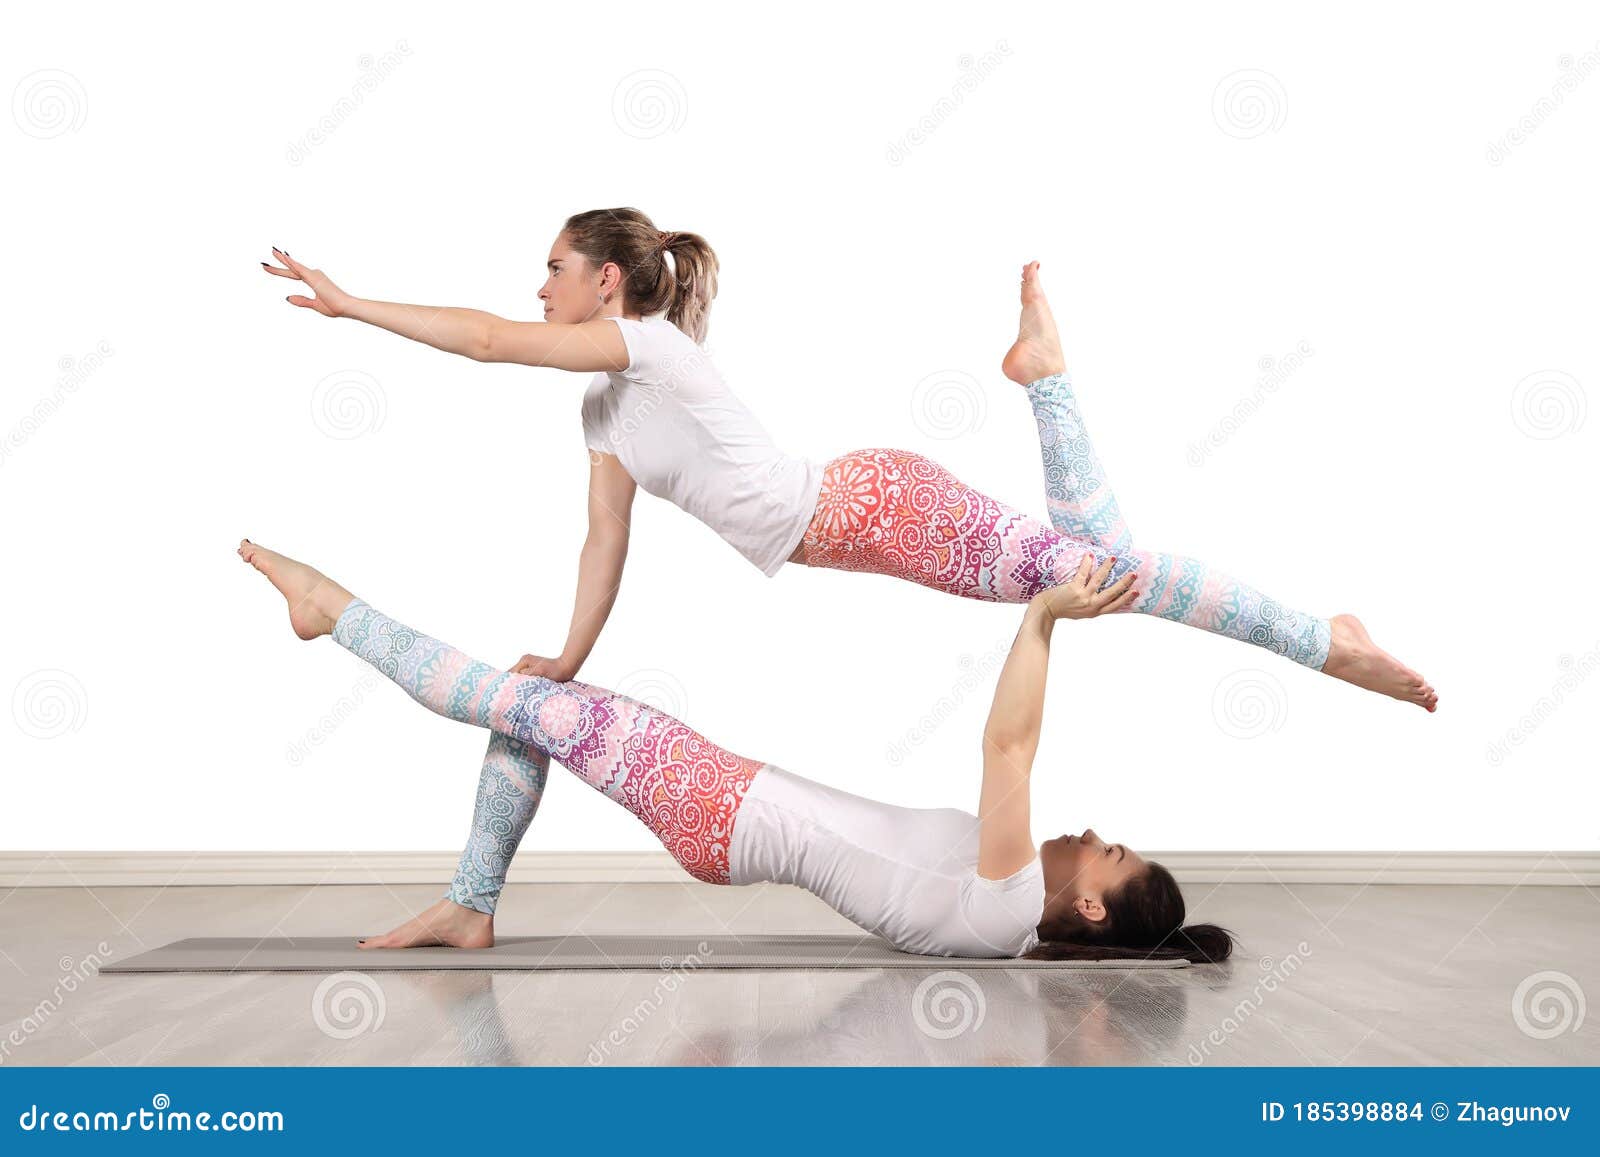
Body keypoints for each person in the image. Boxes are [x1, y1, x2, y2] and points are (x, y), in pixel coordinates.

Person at [258, 214, 1435, 714]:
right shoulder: (606, 413)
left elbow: (489, 342)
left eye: (555, 266)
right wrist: (568, 654)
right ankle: (1051, 378)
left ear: (604, 282)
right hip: (866, 517)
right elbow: (601, 542)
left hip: (877, 507)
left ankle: (1316, 639)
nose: (539, 286)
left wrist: (355, 305)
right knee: (1102, 563)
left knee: (1105, 573)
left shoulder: (648, 346)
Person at [238, 537, 1232, 962]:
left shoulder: (1013, 897)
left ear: (1088, 904)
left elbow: (1008, 742)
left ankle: (332, 610)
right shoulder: (1005, 909)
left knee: (520, 701)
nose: (1096, 830)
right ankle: (470, 904)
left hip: (720, 807)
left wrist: (1046, 615)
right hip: (726, 807)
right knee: (534, 705)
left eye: (1108, 850)